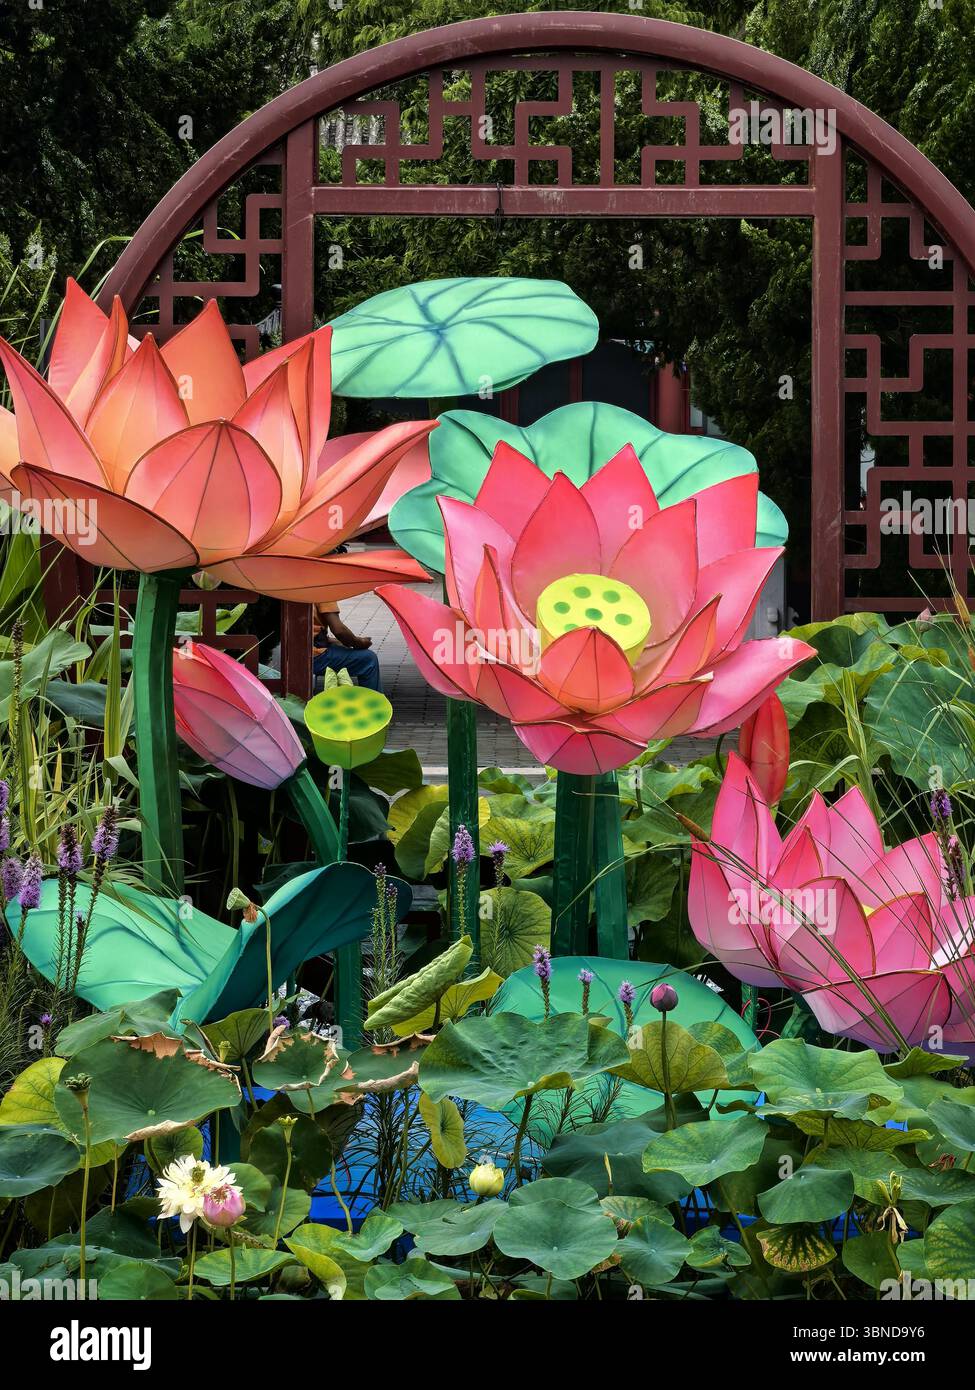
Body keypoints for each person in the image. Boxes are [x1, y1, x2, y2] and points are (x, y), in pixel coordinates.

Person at [312, 602, 382, 691]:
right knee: (368, 659)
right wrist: (358, 642)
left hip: (291, 654)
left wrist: (333, 641)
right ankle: (374, 703)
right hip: (312, 657)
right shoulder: (324, 590)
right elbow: (339, 631)